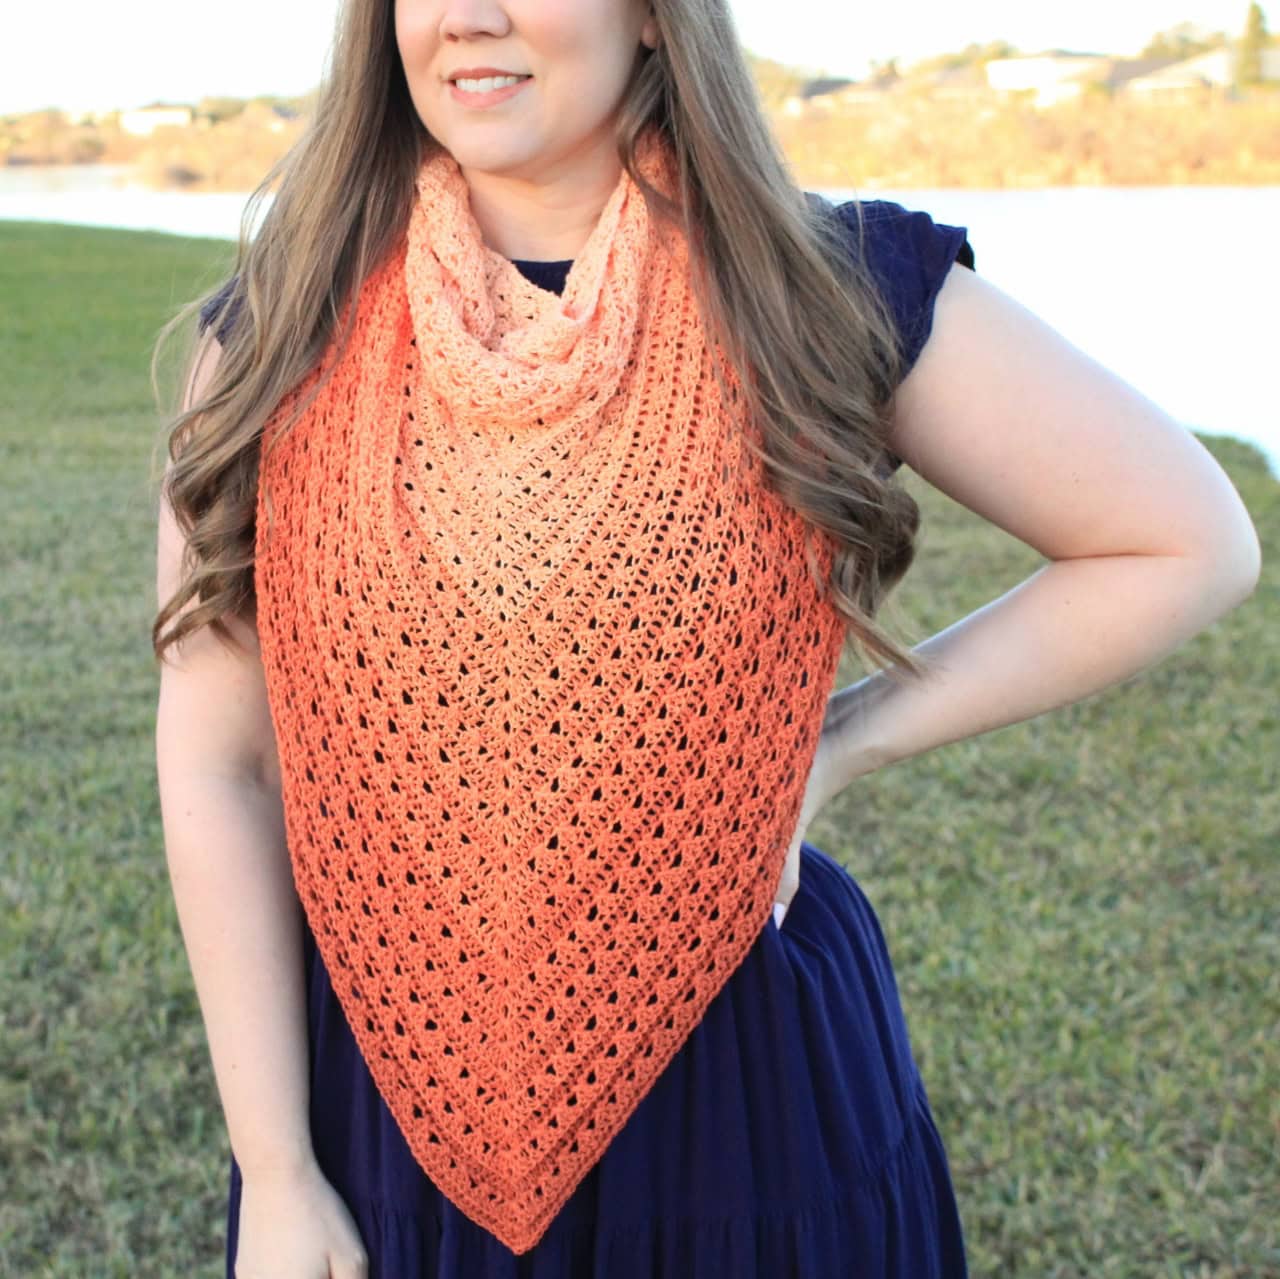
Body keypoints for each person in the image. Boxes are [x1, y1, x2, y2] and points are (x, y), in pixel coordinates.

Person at [151, 0, 1261, 1276]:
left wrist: (830, 747)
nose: (468, 16)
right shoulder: (281, 329)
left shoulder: (813, 289)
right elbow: (221, 763)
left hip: (745, 1105)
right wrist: (278, 1167)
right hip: (381, 1117)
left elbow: (1182, 540)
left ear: (652, 18)